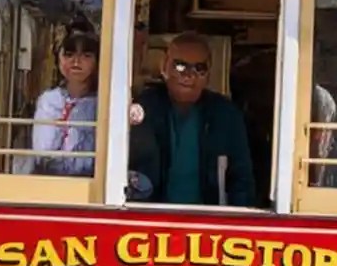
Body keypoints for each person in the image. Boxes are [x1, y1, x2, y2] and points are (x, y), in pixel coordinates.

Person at [127, 31, 255, 206]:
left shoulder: (226, 114)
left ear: (208, 73)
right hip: (150, 220)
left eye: (199, 68)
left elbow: (242, 180)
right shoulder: (143, 108)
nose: (189, 75)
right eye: (180, 66)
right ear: (164, 66)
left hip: (208, 223)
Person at [15, 18, 100, 176]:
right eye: (69, 54)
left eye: (86, 55)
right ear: (58, 58)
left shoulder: (101, 104)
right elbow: (43, 152)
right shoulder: (49, 101)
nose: (76, 61)